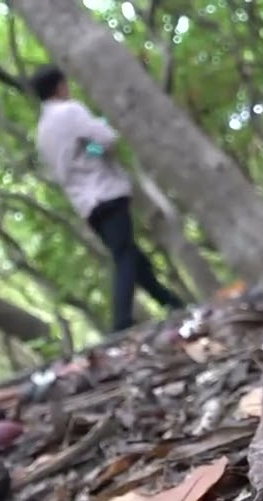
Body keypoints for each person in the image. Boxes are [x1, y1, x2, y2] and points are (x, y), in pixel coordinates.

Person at [30, 64, 185, 333]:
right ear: (60, 86)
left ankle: (172, 302)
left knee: (135, 259)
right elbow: (104, 141)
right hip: (104, 191)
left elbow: (67, 160)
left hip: (85, 203)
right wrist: (94, 147)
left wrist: (86, 149)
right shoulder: (70, 111)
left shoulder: (42, 132)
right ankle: (121, 324)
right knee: (125, 256)